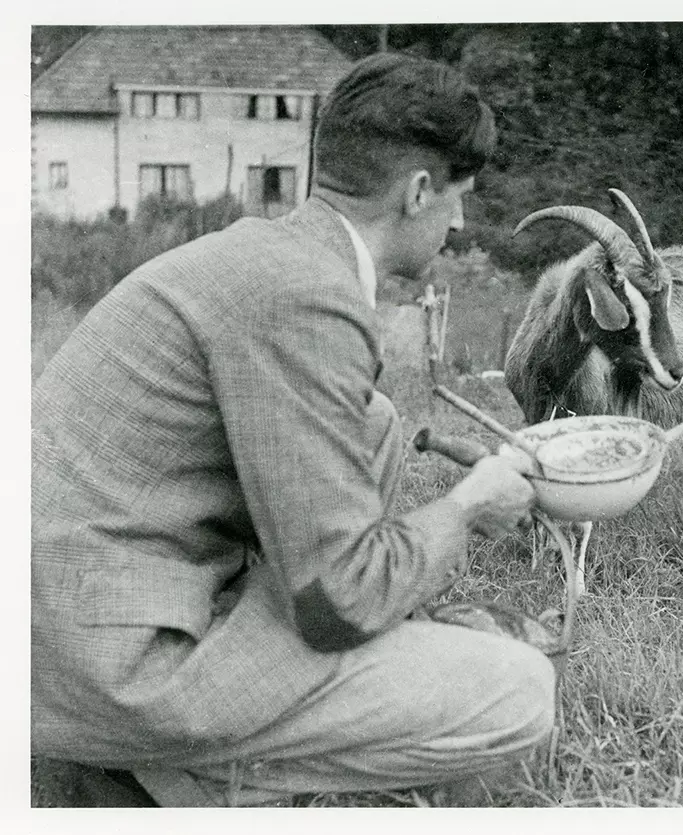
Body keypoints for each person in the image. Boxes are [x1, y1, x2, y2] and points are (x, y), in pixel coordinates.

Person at [31, 52, 553, 807]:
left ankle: (158, 742)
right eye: (458, 196)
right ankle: (180, 774)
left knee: (376, 421)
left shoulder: (268, 257)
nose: (461, 220)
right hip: (110, 665)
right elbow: (340, 598)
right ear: (416, 193)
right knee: (520, 689)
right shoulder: (308, 296)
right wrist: (469, 506)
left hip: (64, 609)